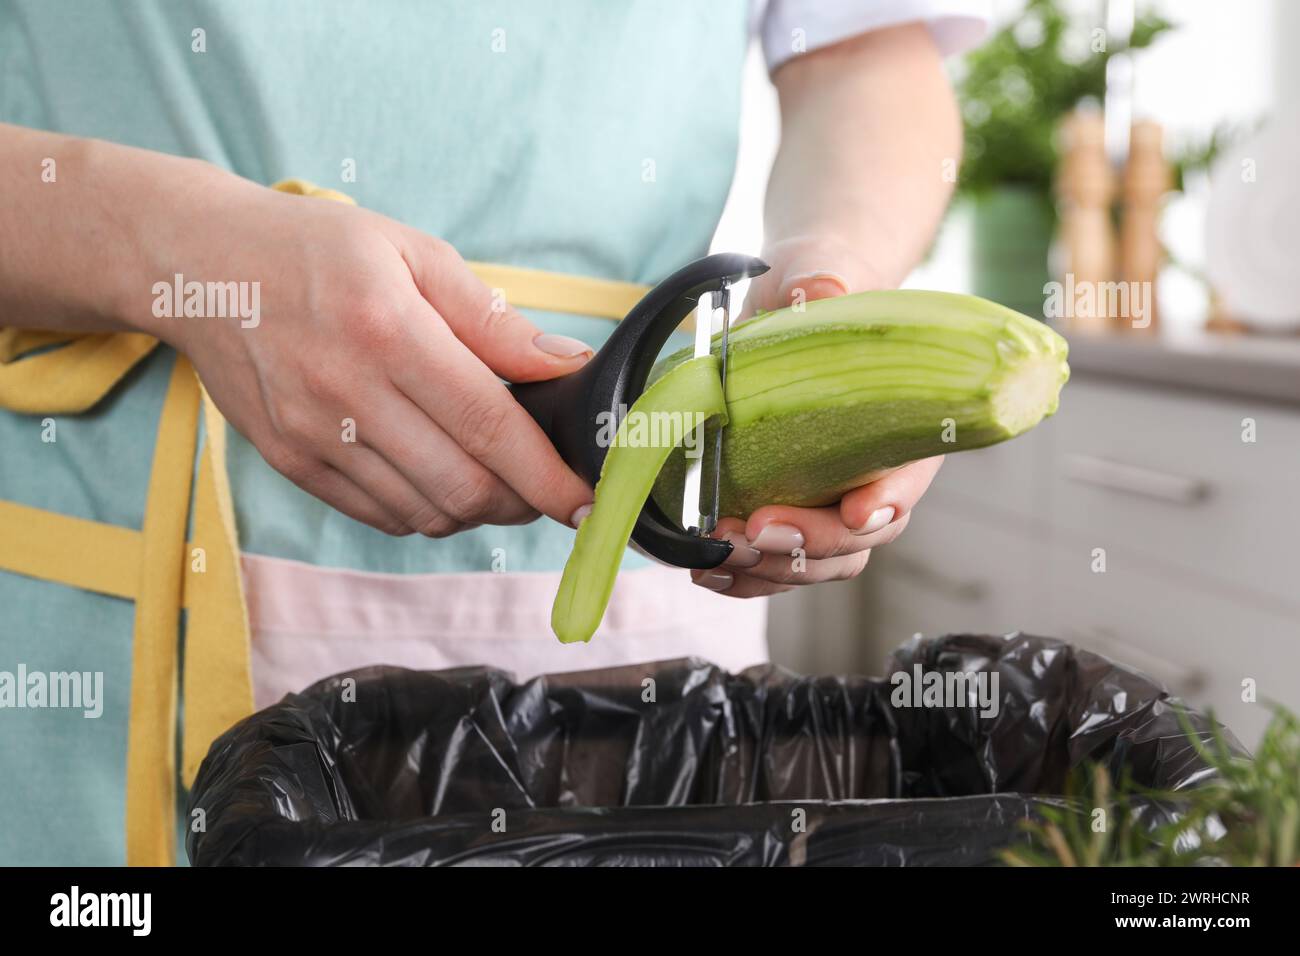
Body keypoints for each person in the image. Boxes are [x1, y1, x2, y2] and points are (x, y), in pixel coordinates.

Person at [0, 0, 987, 865]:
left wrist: (832, 281)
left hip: (651, 587)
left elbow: (864, 53)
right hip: (111, 600)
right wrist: (184, 251)